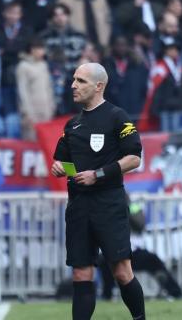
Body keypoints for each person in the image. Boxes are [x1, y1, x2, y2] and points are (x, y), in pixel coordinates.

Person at [51, 62, 144, 320]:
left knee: (122, 271)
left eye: (80, 81)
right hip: (79, 206)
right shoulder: (72, 125)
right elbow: (61, 161)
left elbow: (134, 158)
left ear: (99, 86)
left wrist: (98, 175)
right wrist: (60, 167)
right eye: (73, 80)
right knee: (81, 274)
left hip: (109, 204)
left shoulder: (117, 116)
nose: (73, 85)